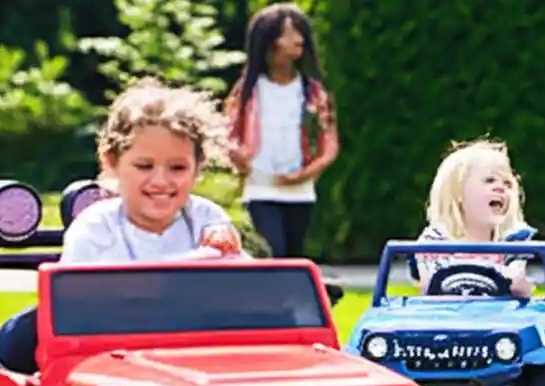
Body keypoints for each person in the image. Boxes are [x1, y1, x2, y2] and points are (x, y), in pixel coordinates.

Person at [61, 77, 244, 263]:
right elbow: (70, 289)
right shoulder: (96, 229)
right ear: (112, 161)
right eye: (144, 166)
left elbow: (242, 283)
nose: (160, 181)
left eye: (178, 168)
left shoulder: (206, 220)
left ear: (198, 168)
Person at [224, 2, 339, 259]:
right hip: (261, 188)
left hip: (301, 190)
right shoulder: (248, 92)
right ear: (271, 41)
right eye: (290, 33)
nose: (298, 40)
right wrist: (240, 157)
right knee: (273, 250)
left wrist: (305, 173)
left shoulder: (312, 92)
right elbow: (229, 135)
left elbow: (329, 143)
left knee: (294, 254)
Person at [413, 139, 535, 298]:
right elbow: (430, 284)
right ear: (457, 193)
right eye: (490, 180)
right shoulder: (436, 240)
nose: (501, 188)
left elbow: (518, 283)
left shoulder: (512, 243)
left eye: (507, 184)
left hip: (499, 318)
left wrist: (520, 286)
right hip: (447, 317)